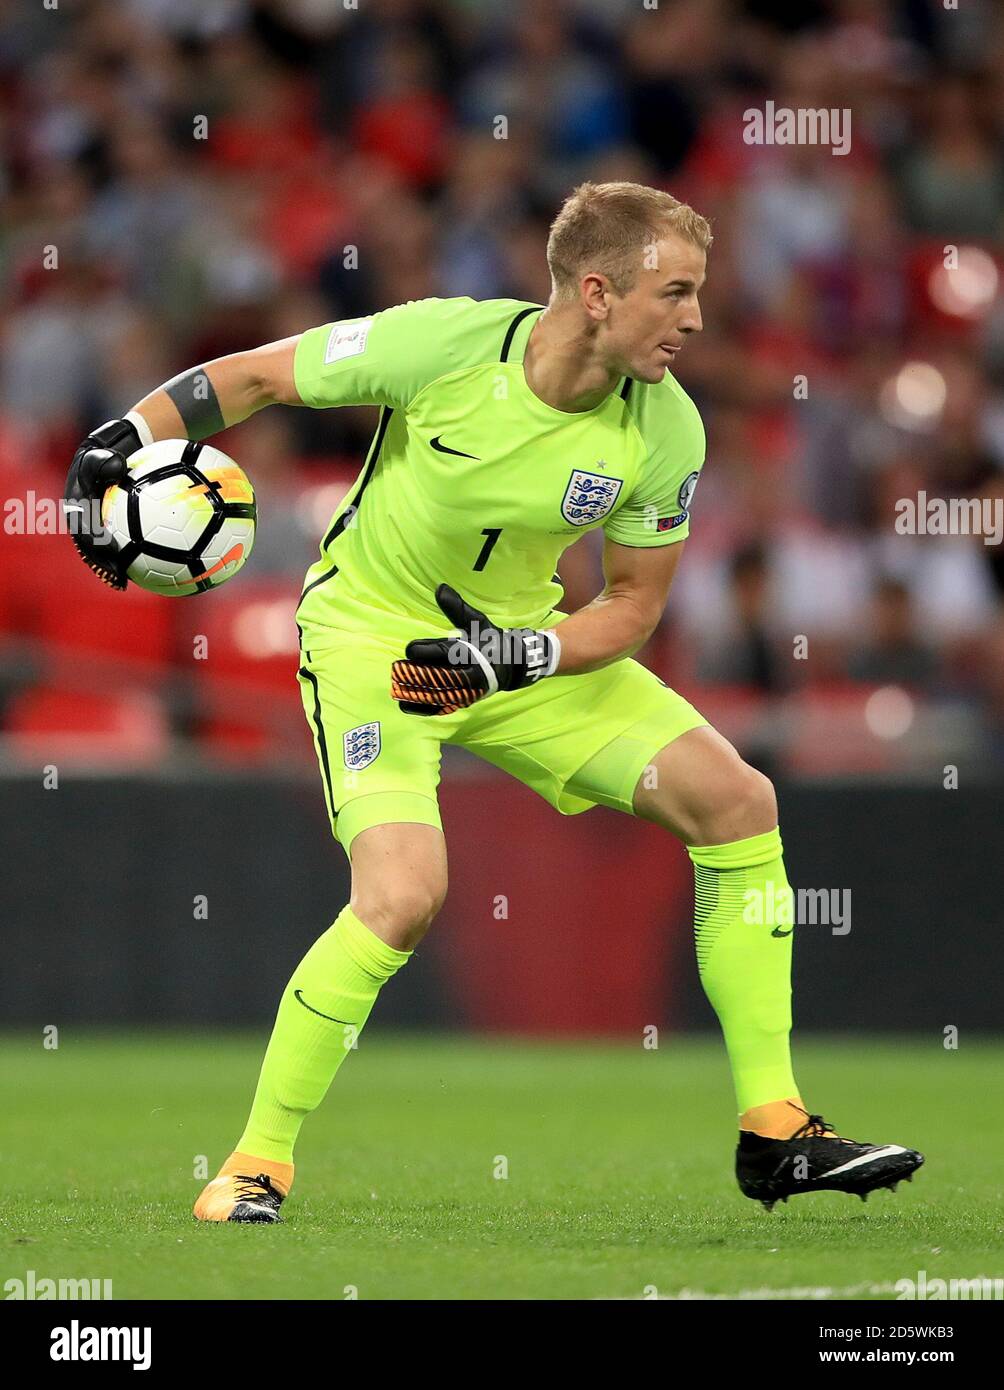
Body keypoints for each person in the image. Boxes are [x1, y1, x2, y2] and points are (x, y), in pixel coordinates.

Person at [64, 181, 922, 1222]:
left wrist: (521, 652)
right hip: (372, 645)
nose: (696, 319)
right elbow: (250, 378)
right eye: (676, 292)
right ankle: (255, 1164)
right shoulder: (440, 345)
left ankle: (775, 1130)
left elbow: (632, 606)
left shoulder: (667, 430)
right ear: (597, 292)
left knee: (738, 801)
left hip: (516, 654)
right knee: (400, 896)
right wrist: (124, 434)